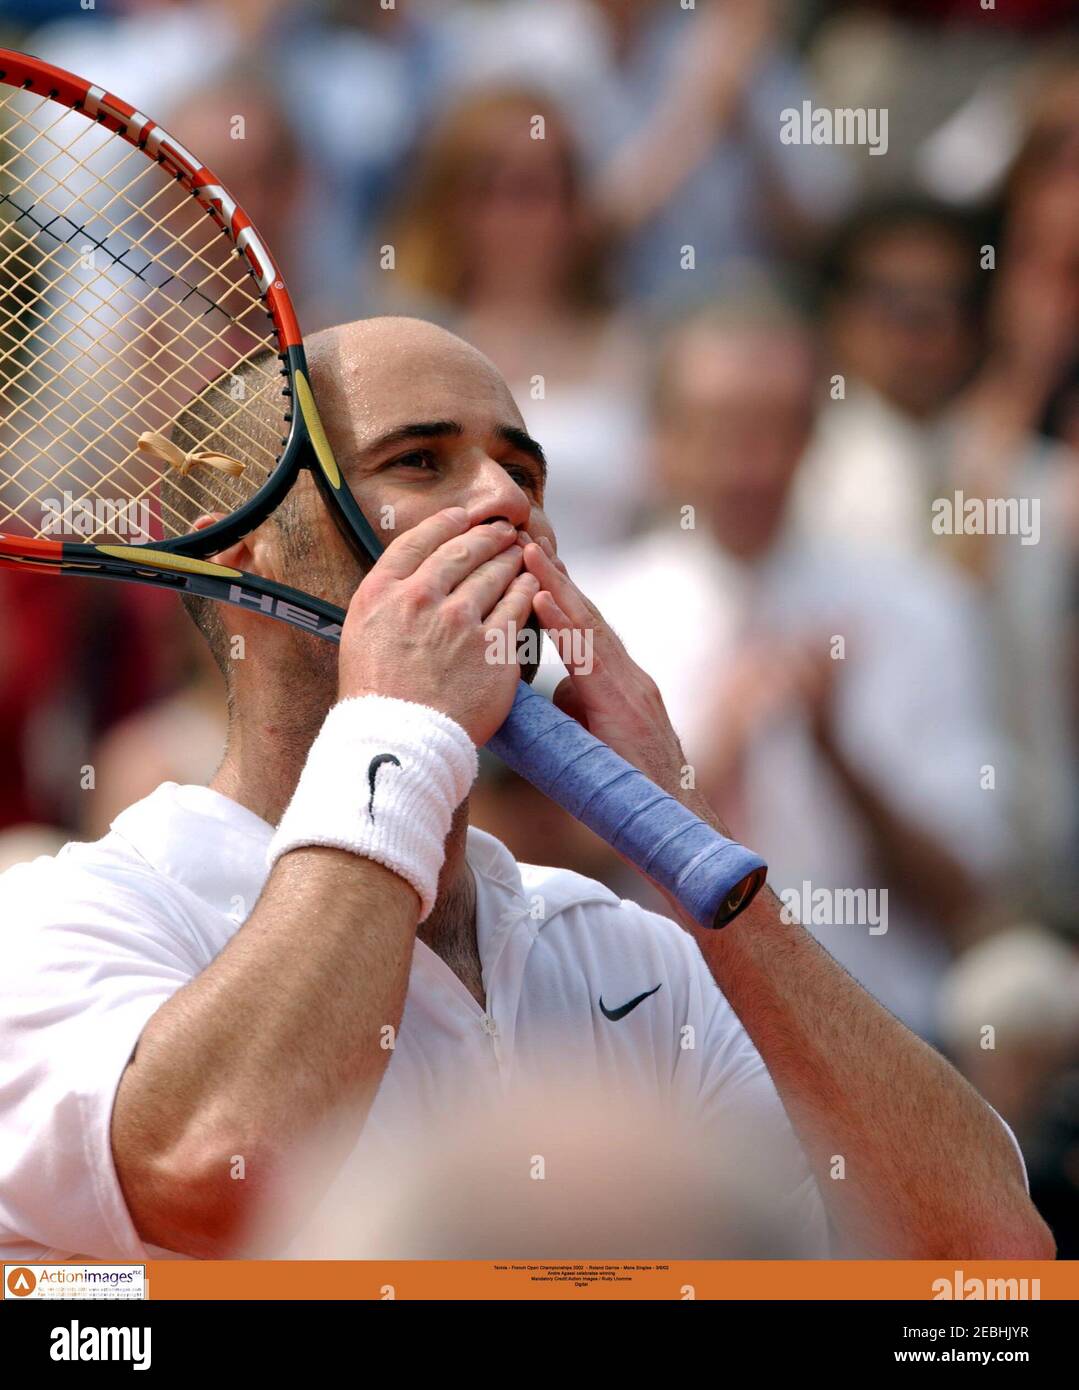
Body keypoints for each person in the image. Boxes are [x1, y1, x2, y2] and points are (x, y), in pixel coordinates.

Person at [0, 317, 1051, 1262]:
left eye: (524, 473)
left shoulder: (625, 953)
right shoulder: (69, 919)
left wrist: (693, 845)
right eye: (418, 460)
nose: (506, 503)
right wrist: (400, 730)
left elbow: (983, 1258)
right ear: (247, 540)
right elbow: (212, 1172)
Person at [579, 298, 1012, 1041]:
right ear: (661, 441)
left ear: (814, 437)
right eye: (717, 429)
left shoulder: (919, 607)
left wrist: (839, 756)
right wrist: (710, 758)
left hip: (885, 1030)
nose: (749, 463)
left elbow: (967, 894)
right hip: (654, 1044)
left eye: (775, 428)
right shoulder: (590, 615)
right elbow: (559, 878)